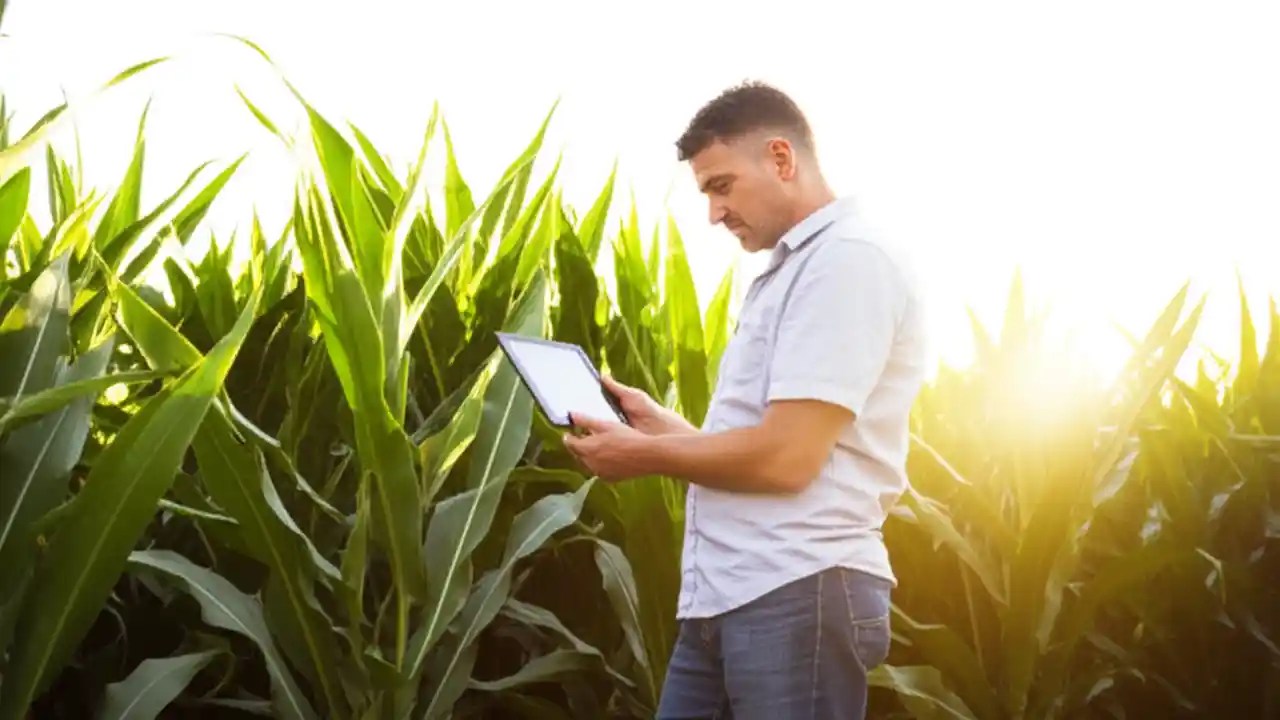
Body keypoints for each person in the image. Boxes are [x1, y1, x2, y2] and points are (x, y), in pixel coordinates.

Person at [562, 81, 928, 720]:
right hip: (729, 598)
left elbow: (787, 459)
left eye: (721, 186)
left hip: (798, 589)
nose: (713, 213)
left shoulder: (847, 263)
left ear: (782, 159)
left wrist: (649, 458)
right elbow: (770, 436)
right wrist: (664, 429)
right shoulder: (794, 270)